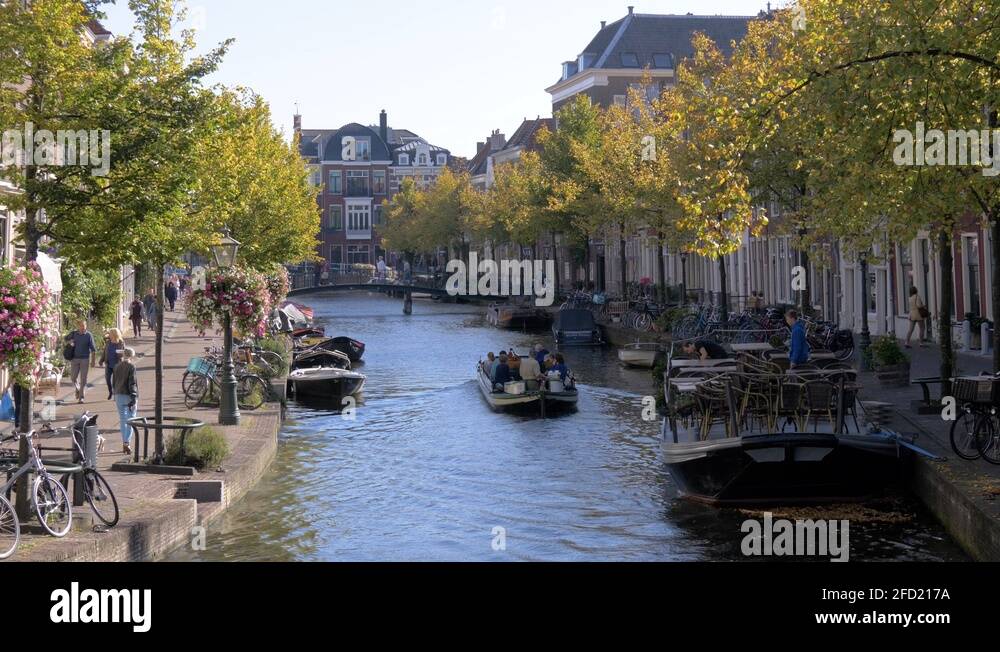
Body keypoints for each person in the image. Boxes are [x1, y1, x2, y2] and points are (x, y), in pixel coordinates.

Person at [112, 347, 138, 455]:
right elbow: (132, 383)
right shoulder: (131, 367)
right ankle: (127, 442)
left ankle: (124, 441)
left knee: (123, 419)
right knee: (132, 419)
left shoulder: (117, 366)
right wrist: (134, 396)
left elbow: (113, 381)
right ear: (131, 356)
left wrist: (114, 392)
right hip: (128, 395)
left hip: (118, 394)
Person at [65, 320, 96, 403]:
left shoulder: (89, 335)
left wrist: (93, 361)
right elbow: (65, 339)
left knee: (83, 379)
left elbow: (93, 349)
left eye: (84, 325)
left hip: (85, 359)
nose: (83, 327)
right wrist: (70, 342)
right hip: (75, 359)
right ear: (78, 326)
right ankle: (78, 389)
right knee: (73, 378)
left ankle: (81, 397)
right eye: (81, 326)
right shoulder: (74, 334)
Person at [99, 328, 125, 400]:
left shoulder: (121, 342)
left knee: (115, 381)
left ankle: (115, 395)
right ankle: (110, 391)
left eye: (110, 334)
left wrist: (120, 354)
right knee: (107, 379)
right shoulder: (108, 342)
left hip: (117, 363)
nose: (109, 335)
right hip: (108, 363)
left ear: (114, 334)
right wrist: (101, 360)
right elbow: (105, 352)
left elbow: (123, 353)